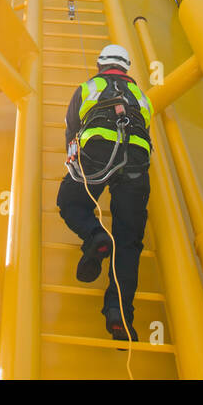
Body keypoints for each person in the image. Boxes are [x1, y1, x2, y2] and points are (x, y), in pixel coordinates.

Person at [56, 43, 153, 341]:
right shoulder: (141, 96)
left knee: (70, 201)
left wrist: (73, 153)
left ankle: (95, 236)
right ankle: (120, 315)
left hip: (97, 149)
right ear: (126, 68)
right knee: (129, 241)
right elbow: (146, 125)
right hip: (137, 158)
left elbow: (72, 126)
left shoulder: (90, 86)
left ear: (101, 65)